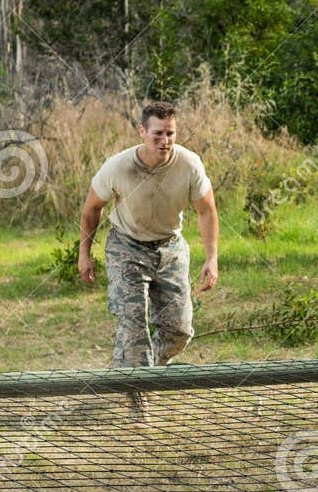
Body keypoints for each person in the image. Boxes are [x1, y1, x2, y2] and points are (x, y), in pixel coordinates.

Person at [77, 101, 219, 371]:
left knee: (180, 331)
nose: (165, 141)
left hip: (170, 247)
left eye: (170, 133)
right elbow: (92, 209)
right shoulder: (118, 167)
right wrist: (85, 255)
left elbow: (206, 211)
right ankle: (135, 388)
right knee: (133, 329)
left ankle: (144, 369)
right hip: (127, 247)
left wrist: (211, 259)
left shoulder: (189, 165)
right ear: (142, 131)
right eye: (158, 134)